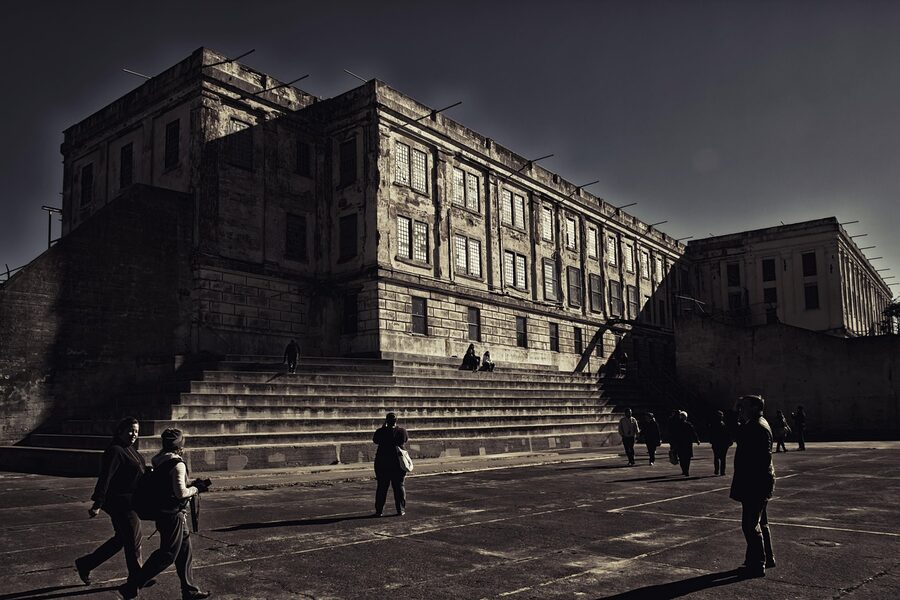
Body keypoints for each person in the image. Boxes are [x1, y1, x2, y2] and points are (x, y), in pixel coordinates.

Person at [119, 428, 210, 600]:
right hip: (173, 514)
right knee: (167, 554)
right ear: (180, 445)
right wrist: (198, 488)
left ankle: (189, 590)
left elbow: (169, 485)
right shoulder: (178, 464)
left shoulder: (159, 460)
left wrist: (189, 483)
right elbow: (180, 493)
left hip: (164, 513)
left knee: (184, 551)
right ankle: (132, 584)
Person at [75, 417, 146, 585]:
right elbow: (105, 478)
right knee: (134, 539)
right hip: (120, 503)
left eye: (136, 431)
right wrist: (97, 503)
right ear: (120, 431)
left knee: (121, 539)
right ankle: (137, 578)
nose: (133, 434)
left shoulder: (130, 449)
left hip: (130, 501)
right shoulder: (115, 451)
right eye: (130, 430)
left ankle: (85, 564)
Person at [730, 395, 776, 578]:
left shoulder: (755, 427)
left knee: (750, 525)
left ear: (755, 407)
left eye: (744, 406)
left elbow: (735, 433)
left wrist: (734, 413)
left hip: (755, 483)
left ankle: (757, 563)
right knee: (761, 522)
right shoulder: (759, 423)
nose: (741, 409)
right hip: (760, 481)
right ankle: (767, 557)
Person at [373, 412, 409, 516]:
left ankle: (379, 511)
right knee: (399, 486)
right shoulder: (402, 431)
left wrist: (383, 427)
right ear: (396, 421)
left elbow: (375, 440)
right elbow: (405, 440)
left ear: (386, 421)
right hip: (398, 462)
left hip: (382, 463)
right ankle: (400, 510)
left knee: (381, 488)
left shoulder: (380, 431)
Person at [669, 410, 700, 476]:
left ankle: (684, 470)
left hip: (679, 443)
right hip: (687, 443)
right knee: (687, 458)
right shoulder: (688, 424)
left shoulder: (676, 425)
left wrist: (673, 443)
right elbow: (693, 433)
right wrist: (697, 440)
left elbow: (673, 434)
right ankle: (686, 470)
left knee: (681, 457)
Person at [709, 410, 734, 476]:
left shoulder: (713, 425)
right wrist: (730, 441)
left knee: (716, 457)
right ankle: (722, 471)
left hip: (716, 442)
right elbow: (727, 434)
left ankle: (716, 470)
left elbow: (711, 434)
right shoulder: (724, 425)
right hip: (723, 443)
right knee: (723, 458)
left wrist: (711, 440)